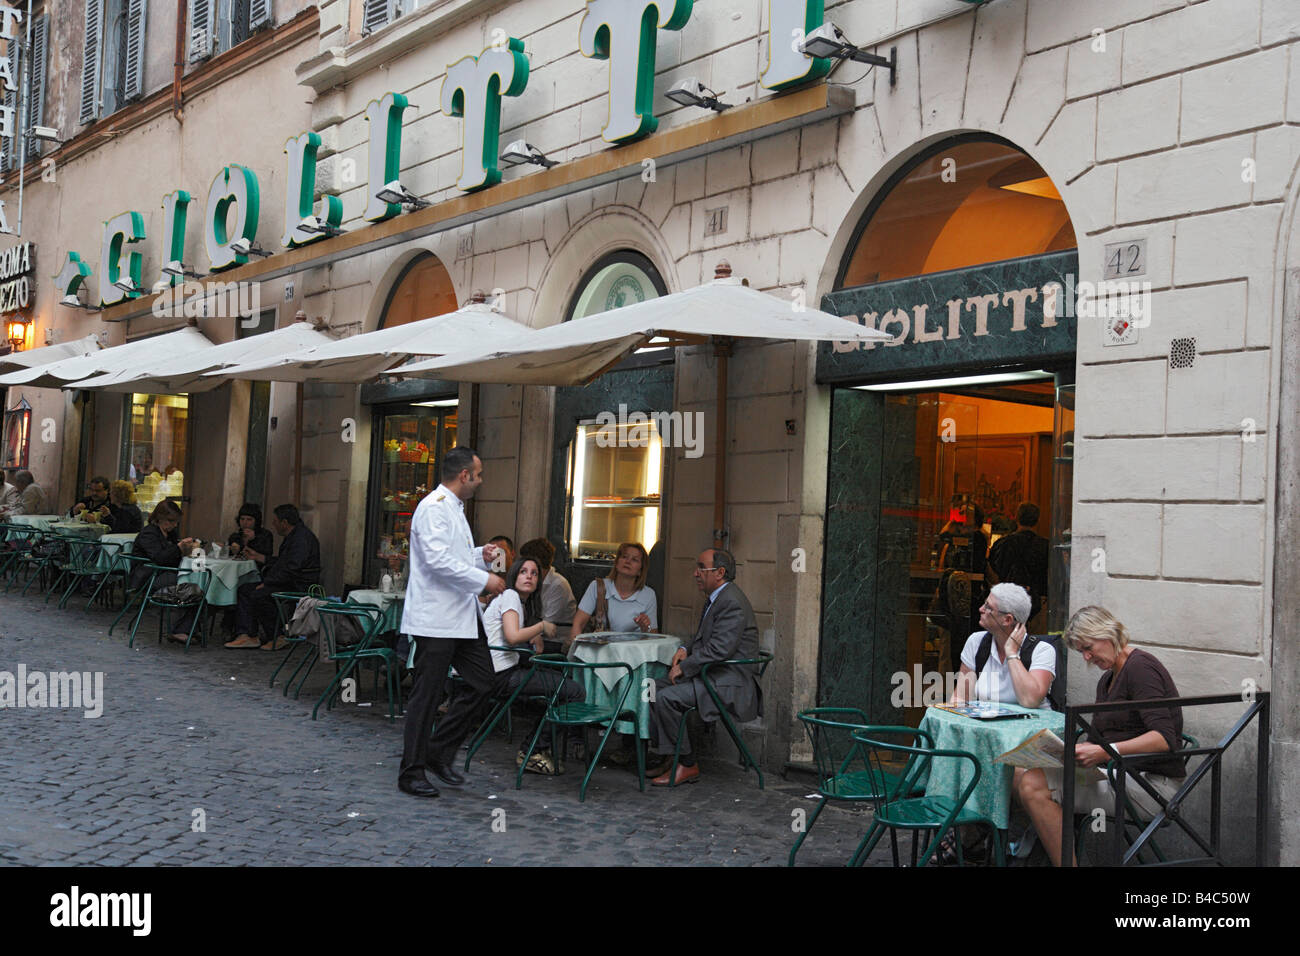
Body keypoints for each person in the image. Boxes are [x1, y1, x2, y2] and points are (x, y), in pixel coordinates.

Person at [1015, 606, 1186, 867]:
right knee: (1018, 773)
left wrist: (1104, 752)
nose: (1086, 656)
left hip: (1151, 786)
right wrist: (1071, 753)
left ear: (1106, 634)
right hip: (1118, 774)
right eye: (1081, 651)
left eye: (1088, 647)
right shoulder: (1107, 679)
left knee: (1033, 785)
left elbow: (1164, 738)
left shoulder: (1140, 667)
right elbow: (1098, 740)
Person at [397, 446, 505, 798]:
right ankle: (411, 771)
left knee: (483, 682)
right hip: (436, 619)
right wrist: (485, 580)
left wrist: (479, 555)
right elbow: (437, 563)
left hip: (460, 616)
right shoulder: (433, 508)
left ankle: (438, 751)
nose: (481, 480)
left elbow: (452, 556)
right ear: (464, 475)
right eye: (479, 474)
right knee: (426, 697)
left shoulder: (453, 509)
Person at [646, 548, 761, 786]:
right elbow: (704, 638)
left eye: (701, 568)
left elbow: (720, 649)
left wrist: (685, 667)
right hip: (713, 675)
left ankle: (687, 764)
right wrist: (686, 649)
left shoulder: (731, 602)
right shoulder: (718, 597)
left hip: (729, 681)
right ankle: (672, 755)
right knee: (653, 688)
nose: (695, 573)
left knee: (666, 697)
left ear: (719, 573)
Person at [483, 556, 585, 774]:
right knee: (573, 691)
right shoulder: (510, 596)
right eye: (523, 572)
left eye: (534, 573)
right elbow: (512, 636)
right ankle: (533, 750)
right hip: (502, 675)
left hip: (504, 671)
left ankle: (537, 746)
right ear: (514, 576)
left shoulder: (520, 603)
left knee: (560, 688)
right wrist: (540, 627)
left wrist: (533, 636)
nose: (529, 576)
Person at [225, 504, 321, 650]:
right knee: (245, 589)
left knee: (259, 594)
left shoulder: (301, 539)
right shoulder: (296, 535)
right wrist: (261, 558)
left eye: (275, 521)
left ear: (284, 523)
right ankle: (247, 634)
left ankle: (278, 635)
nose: (273, 524)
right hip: (290, 580)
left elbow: (292, 568)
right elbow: (285, 562)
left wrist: (269, 582)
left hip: (298, 583)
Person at [950, 582, 1055, 710]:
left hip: (1030, 727)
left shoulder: (1042, 650)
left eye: (988, 607)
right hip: (987, 725)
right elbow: (961, 697)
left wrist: (1012, 653)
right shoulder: (976, 642)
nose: (981, 609)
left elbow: (1030, 700)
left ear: (1007, 620)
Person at [131, 500, 201, 643]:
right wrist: (179, 548)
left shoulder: (170, 533)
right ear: (159, 518)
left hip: (164, 572)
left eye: (176, 522)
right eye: (170, 521)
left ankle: (186, 627)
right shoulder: (148, 533)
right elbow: (159, 558)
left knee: (197, 582)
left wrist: (187, 549)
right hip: (148, 576)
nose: (174, 525)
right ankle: (179, 629)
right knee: (186, 584)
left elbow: (172, 557)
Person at [569, 541, 657, 639]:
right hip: (601, 650)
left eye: (634, 560)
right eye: (624, 557)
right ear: (616, 563)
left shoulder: (648, 595)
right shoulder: (597, 587)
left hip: (632, 651)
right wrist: (576, 648)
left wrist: (645, 628)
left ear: (640, 570)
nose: (627, 561)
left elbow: (653, 636)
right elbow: (578, 624)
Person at [988, 501, 1050, 622]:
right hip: (1037, 601)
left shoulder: (1003, 544)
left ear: (1016, 517)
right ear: (1037, 520)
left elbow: (993, 571)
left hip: (1007, 601)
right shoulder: (1045, 546)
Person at [519, 537, 576, 645]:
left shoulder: (558, 585)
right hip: (532, 635)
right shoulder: (529, 580)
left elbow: (547, 627)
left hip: (554, 642)